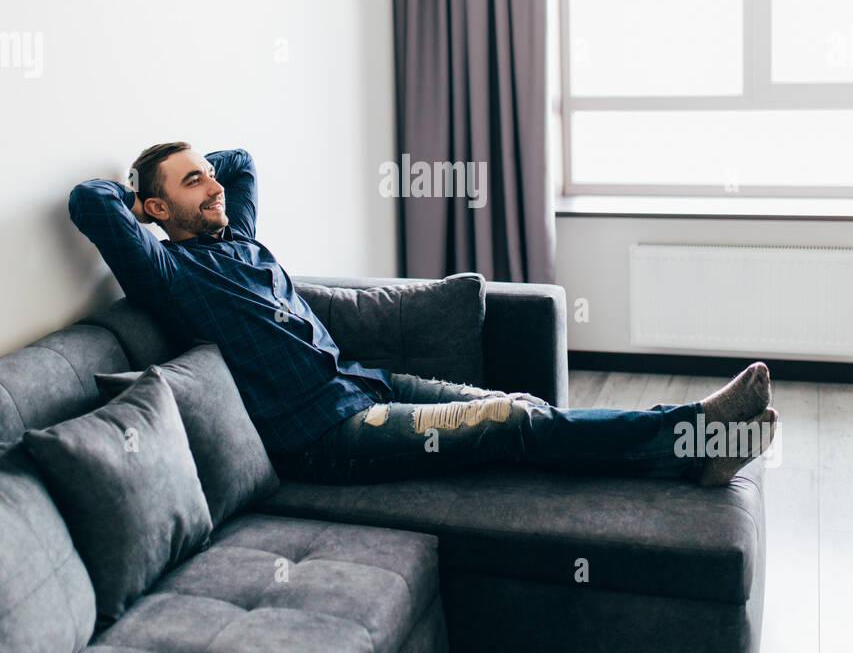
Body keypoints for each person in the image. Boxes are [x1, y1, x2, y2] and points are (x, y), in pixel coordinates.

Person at [69, 143, 778, 490]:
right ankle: (693, 434)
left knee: (518, 406)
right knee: (512, 424)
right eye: (193, 181)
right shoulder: (169, 273)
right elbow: (88, 202)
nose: (215, 184)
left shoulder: (240, 237)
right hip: (325, 435)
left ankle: (694, 461)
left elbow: (243, 162)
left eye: (206, 174)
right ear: (158, 211)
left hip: (362, 386)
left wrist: (195, 177)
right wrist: (136, 202)